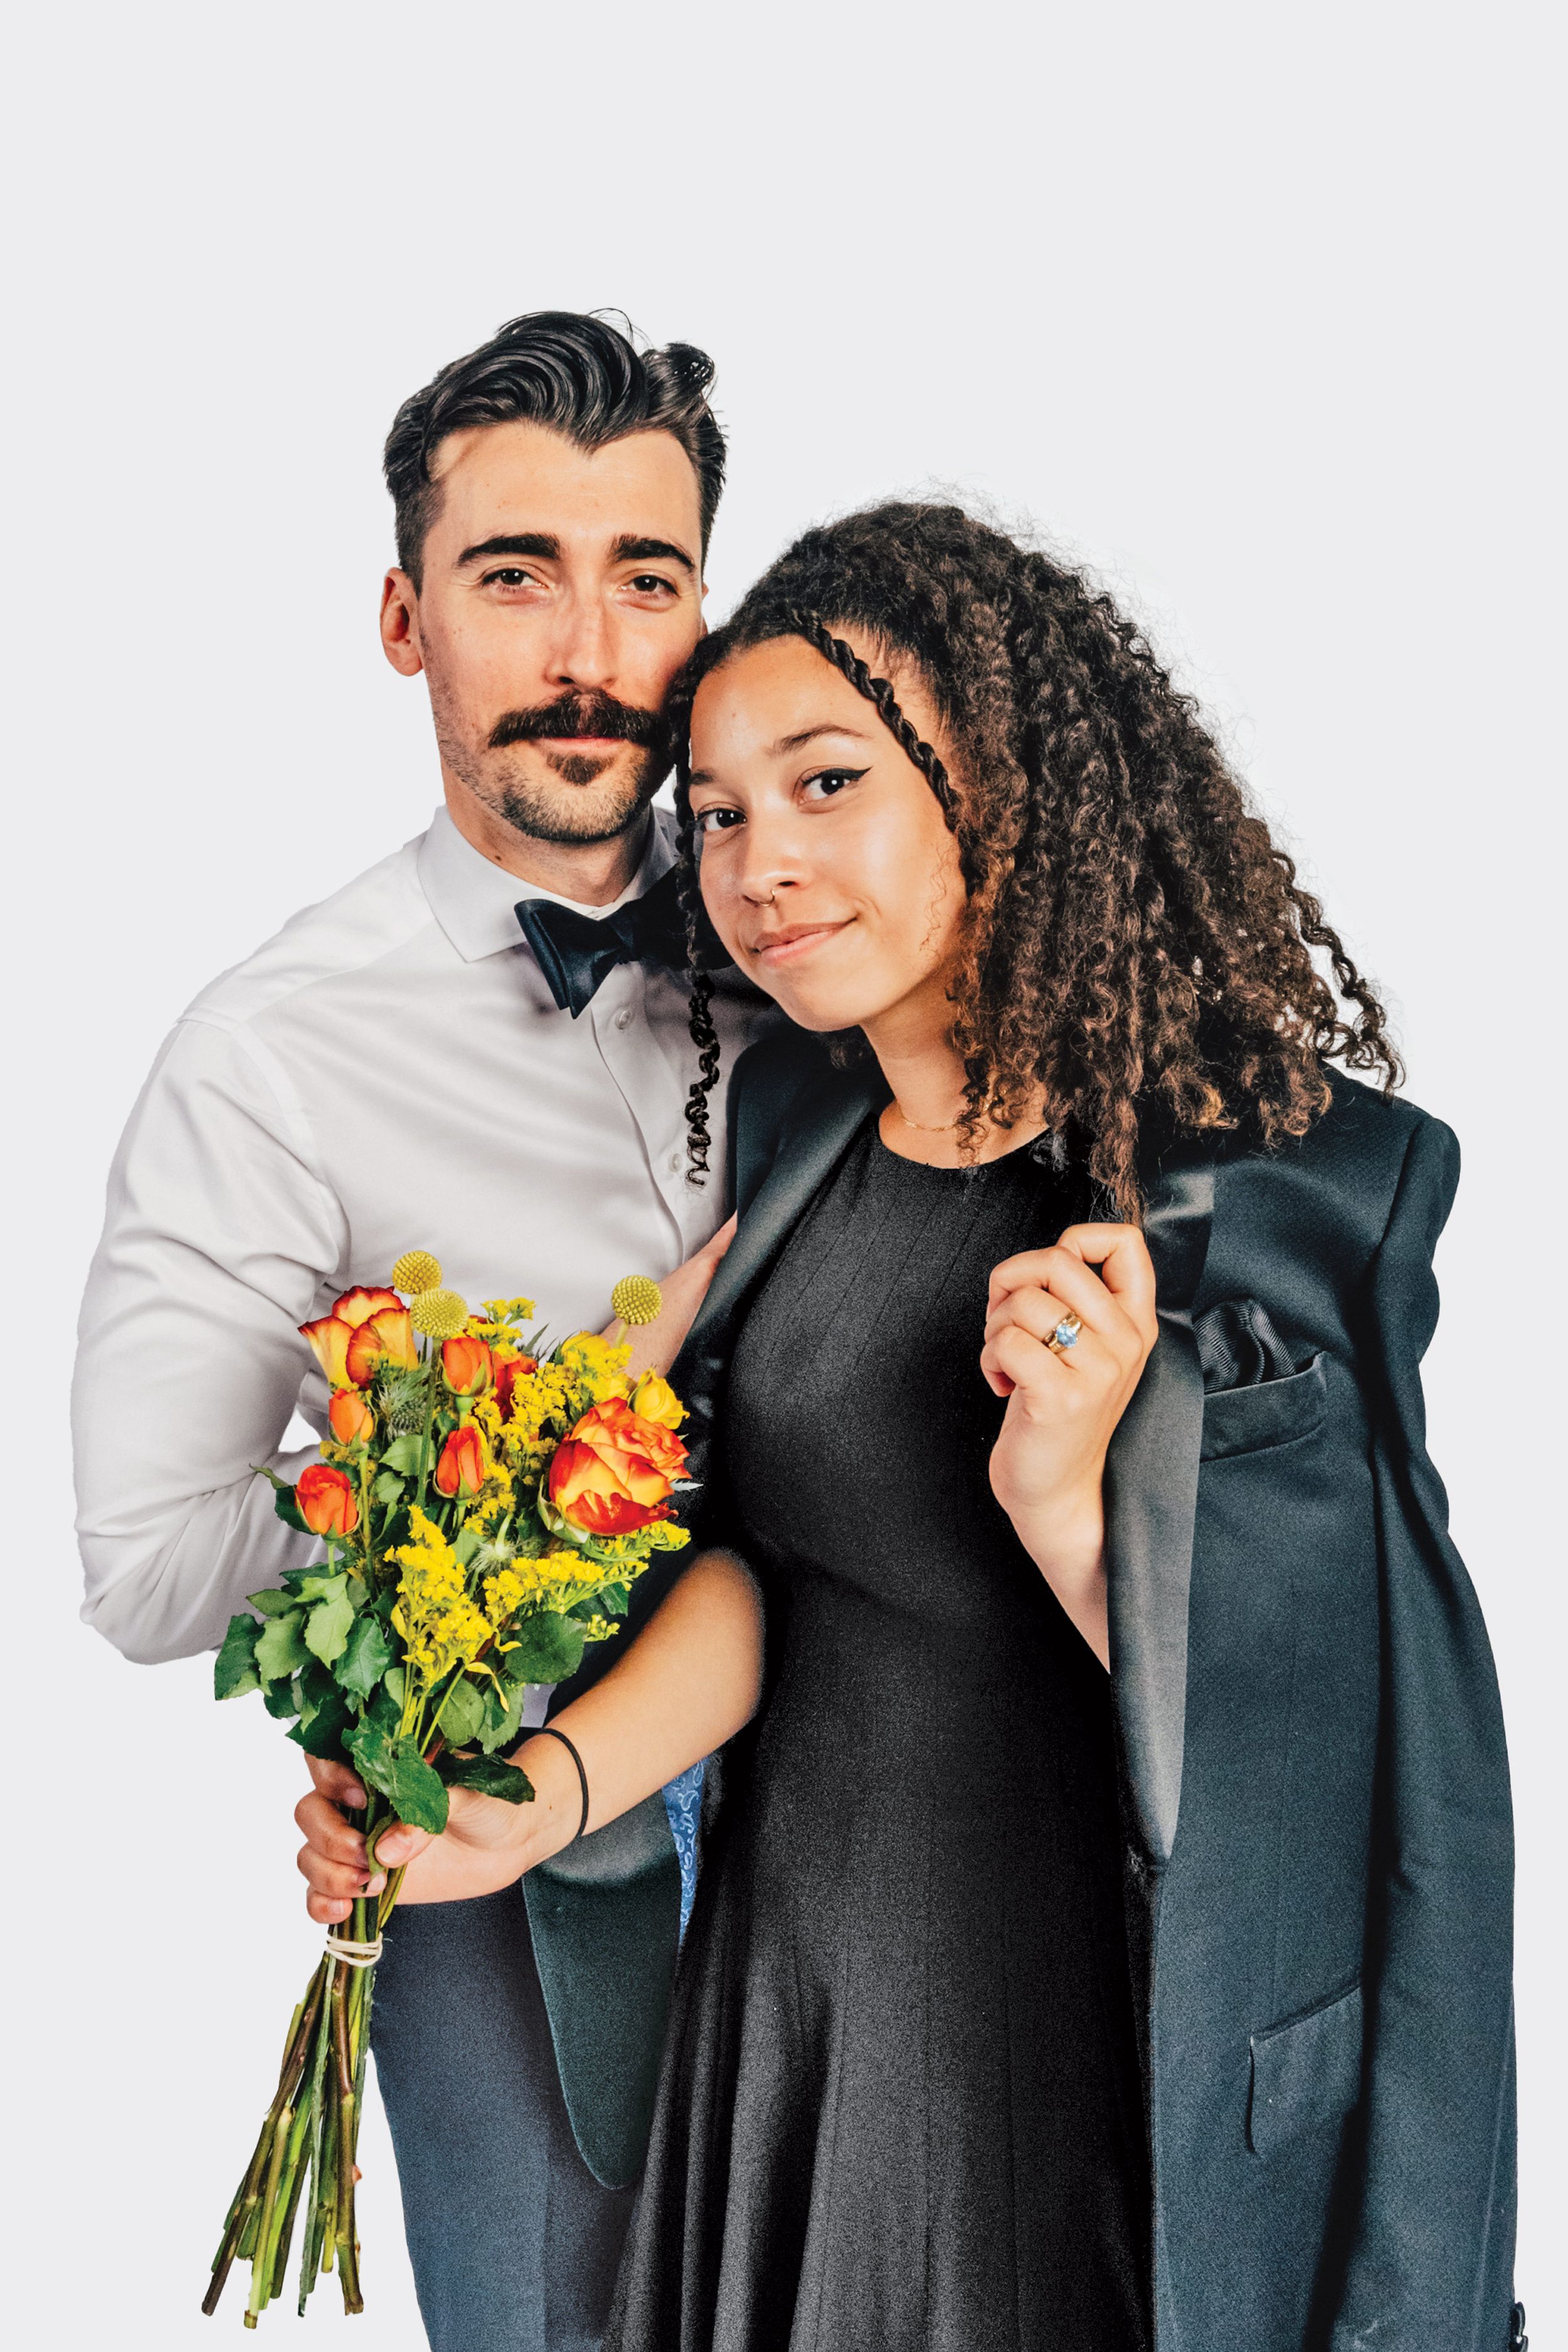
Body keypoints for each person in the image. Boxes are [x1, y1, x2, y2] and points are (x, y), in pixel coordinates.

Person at [296, 501, 1522, 2351]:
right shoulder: (787, 1139)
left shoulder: (1269, 1192)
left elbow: (1345, 1757)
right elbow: (770, 1576)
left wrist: (1066, 1514)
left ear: (1001, 793)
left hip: (1060, 2076)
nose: (756, 861)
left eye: (823, 785)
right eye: (713, 814)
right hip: (777, 2037)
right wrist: (529, 1804)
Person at [72, 310, 773, 2352]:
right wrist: (483, 1506)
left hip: (886, 1800)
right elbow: (145, 1566)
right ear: (405, 619)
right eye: (512, 576)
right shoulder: (272, 1056)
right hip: (497, 1859)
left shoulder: (808, 930)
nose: (585, 648)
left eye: (643, 578)